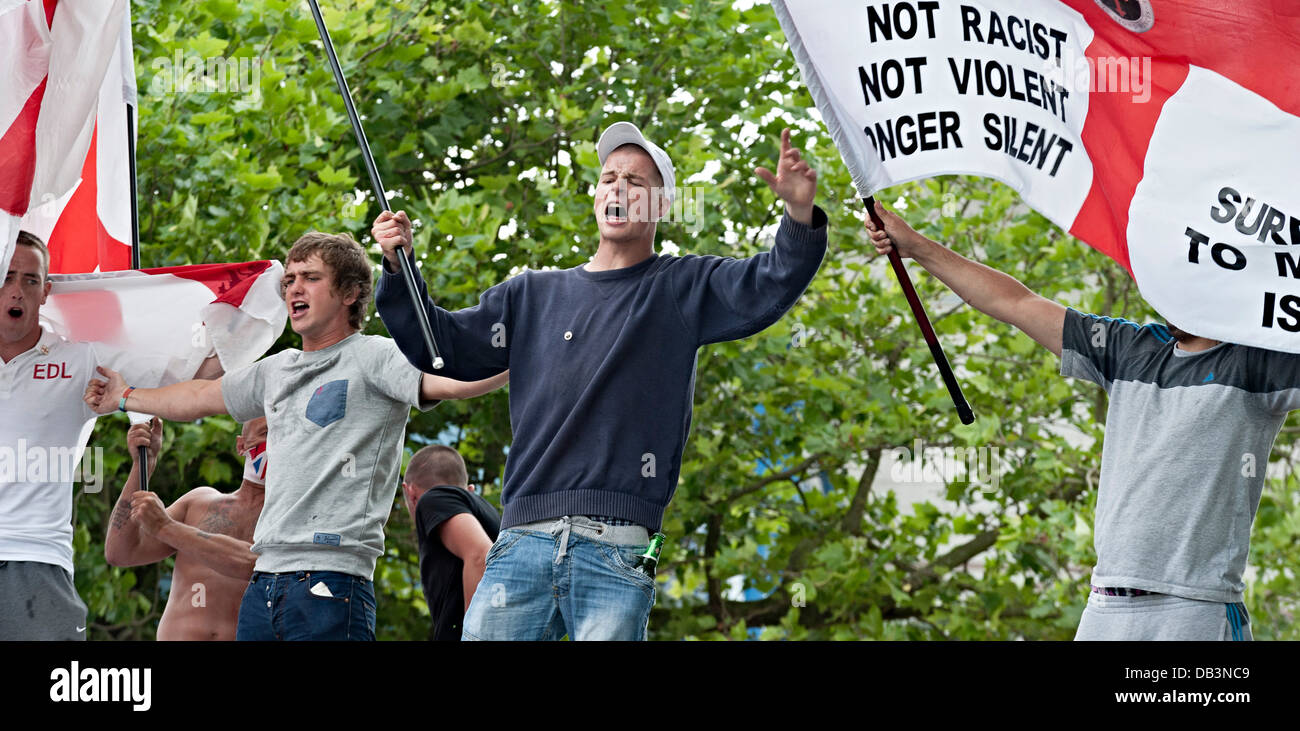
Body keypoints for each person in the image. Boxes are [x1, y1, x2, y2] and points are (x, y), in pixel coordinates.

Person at [372, 123, 827, 640]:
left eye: (635, 181)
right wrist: (398, 265)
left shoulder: (681, 287)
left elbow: (768, 284)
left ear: (660, 206)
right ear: (595, 196)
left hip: (617, 546)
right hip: (520, 540)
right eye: (609, 177)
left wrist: (797, 215)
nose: (618, 188)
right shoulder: (530, 295)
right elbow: (442, 350)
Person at [864, 200, 1300, 641]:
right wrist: (916, 246)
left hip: (1195, 610)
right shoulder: (1127, 347)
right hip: (1105, 606)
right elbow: (1014, 301)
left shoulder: (1259, 361)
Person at [86, 230, 507, 641]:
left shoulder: (374, 356)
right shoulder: (276, 369)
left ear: (350, 293)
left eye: (310, 277)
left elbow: (449, 379)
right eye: (288, 280)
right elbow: (198, 395)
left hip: (332, 582)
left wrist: (525, 357)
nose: (293, 288)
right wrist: (125, 396)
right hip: (265, 585)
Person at [0, 230, 173, 641]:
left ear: (47, 292)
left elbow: (186, 375)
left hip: (36, 558)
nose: (17, 291)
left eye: (30, 280)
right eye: (7, 277)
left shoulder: (81, 358)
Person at [104, 415, 268, 640]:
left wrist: (166, 527)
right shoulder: (199, 502)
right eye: (266, 433)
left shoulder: (293, 519)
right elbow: (120, 553)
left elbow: (256, 565)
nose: (276, 443)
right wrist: (142, 466)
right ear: (241, 445)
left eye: (283, 434)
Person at [402, 443, 501, 641]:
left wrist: (472, 637)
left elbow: (480, 555)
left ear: (411, 493)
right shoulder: (490, 514)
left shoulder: (432, 499)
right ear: (469, 490)